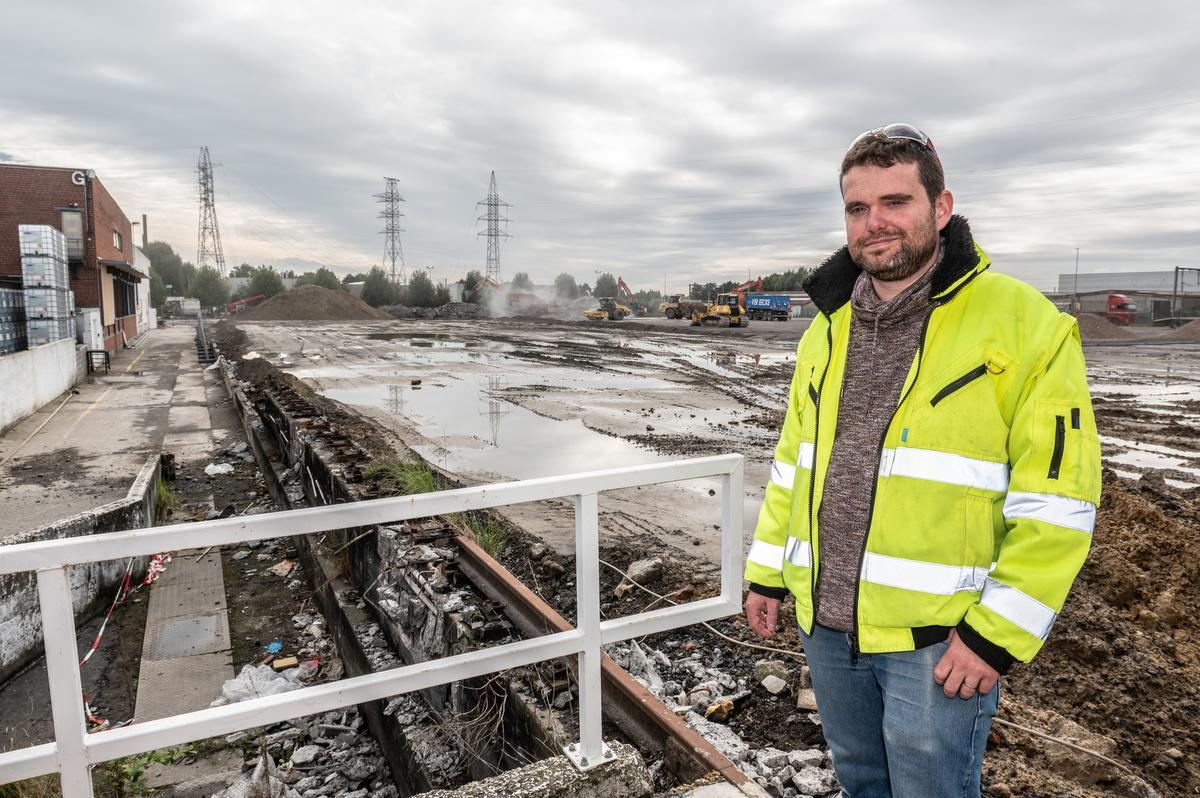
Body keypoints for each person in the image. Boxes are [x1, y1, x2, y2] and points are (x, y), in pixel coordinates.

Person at [743, 123, 1101, 797]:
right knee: (861, 784)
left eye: (895, 201)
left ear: (941, 208)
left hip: (938, 645)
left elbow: (1059, 500)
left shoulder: (1025, 324)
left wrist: (994, 637)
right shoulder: (827, 327)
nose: (873, 222)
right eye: (857, 207)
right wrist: (767, 575)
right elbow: (794, 464)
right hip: (829, 630)